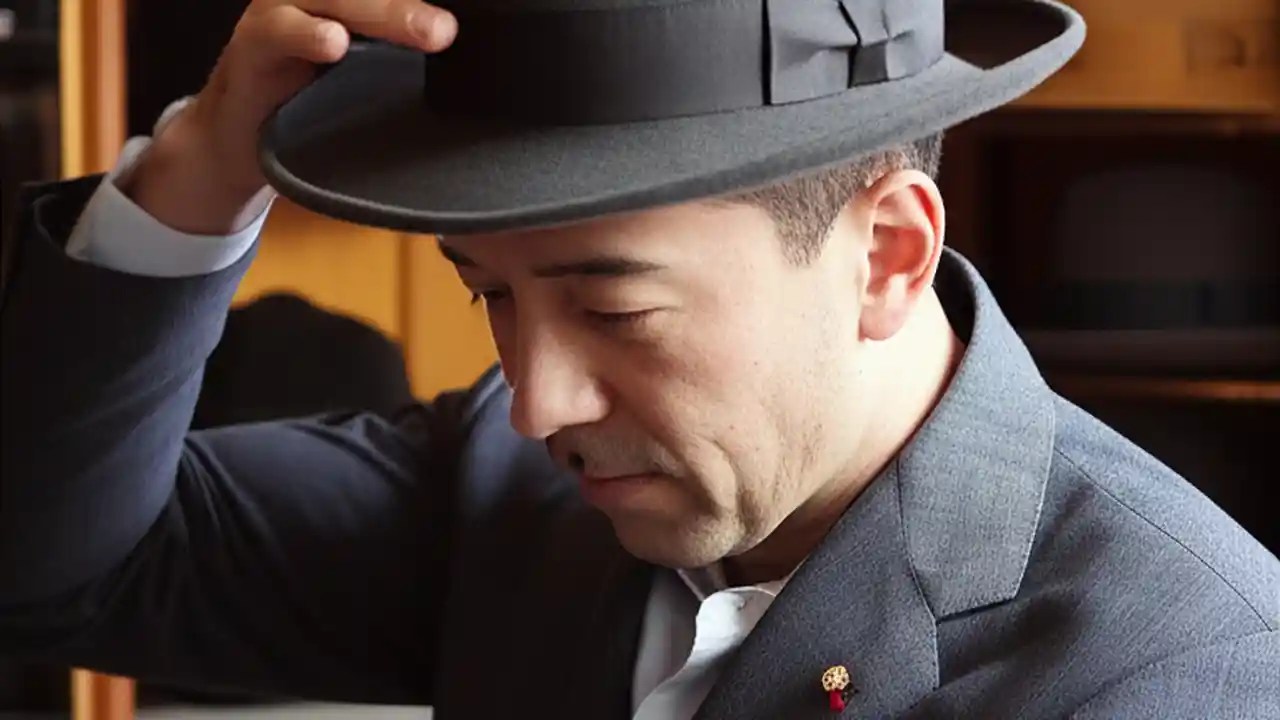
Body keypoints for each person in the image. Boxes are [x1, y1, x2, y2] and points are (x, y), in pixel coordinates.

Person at [2, 0, 1276, 718]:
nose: (534, 402)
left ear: (885, 253)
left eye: (615, 312)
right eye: (486, 295)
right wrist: (200, 163)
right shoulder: (505, 504)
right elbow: (56, 570)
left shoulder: (1176, 672)